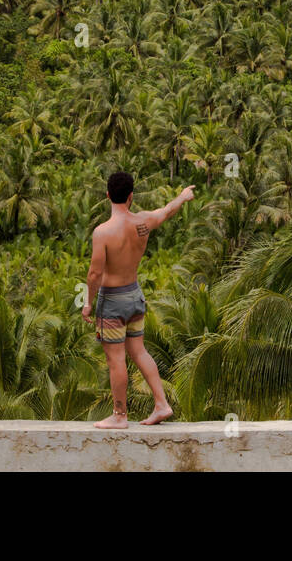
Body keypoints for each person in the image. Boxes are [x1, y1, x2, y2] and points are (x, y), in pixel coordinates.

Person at [83, 171, 194, 428]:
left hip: (112, 301)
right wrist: (182, 197)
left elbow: (94, 273)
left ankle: (120, 415)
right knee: (139, 351)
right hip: (135, 296)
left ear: (108, 195)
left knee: (116, 359)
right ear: (131, 196)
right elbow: (166, 211)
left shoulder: (103, 232)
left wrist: (88, 303)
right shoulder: (143, 222)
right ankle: (161, 404)